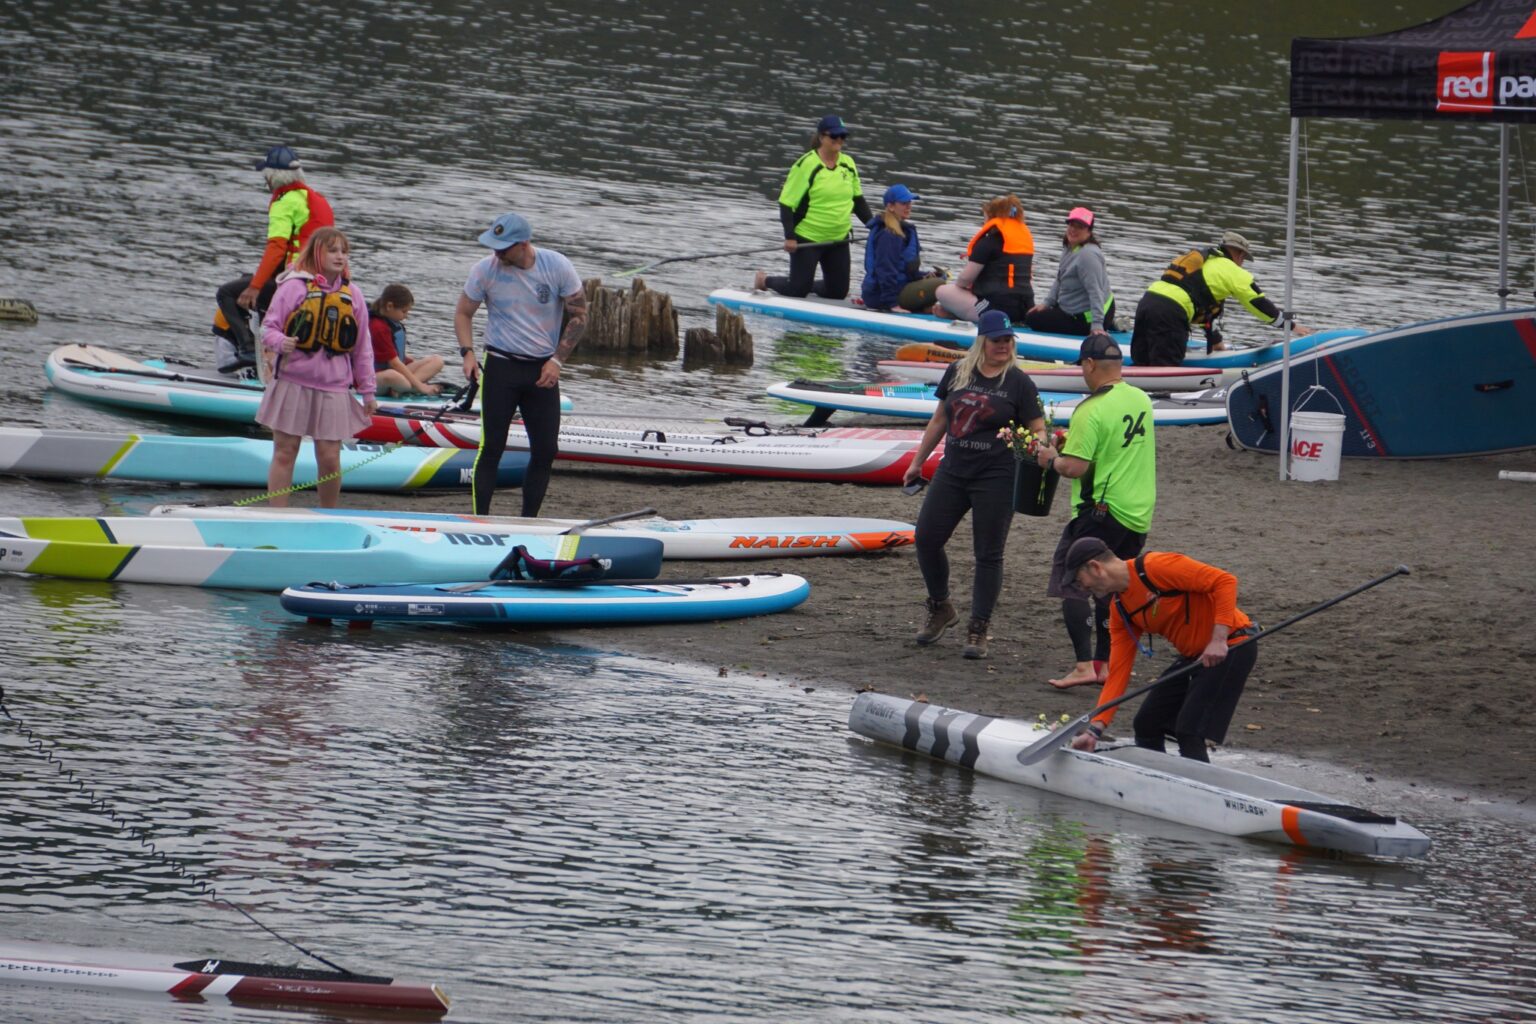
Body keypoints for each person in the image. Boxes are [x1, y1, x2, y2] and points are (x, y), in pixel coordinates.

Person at [902, 310, 1046, 659]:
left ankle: (978, 628)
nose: (1003, 346)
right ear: (982, 340)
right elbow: (940, 418)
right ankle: (940, 606)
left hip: (997, 475)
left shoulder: (1019, 383)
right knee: (926, 538)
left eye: (1008, 340)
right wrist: (918, 462)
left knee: (988, 553)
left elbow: (1038, 427)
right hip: (952, 470)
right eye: (997, 340)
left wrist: (1037, 446)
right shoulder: (957, 372)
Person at [1060, 537, 1259, 763]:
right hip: (1195, 657)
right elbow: (1118, 673)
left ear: (1095, 567)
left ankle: (1197, 792)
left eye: (1079, 579)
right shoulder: (1121, 610)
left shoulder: (1156, 567)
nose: (1083, 588)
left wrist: (1218, 638)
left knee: (1189, 730)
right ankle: (1158, 779)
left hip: (1233, 645)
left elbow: (1225, 581)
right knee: (1147, 723)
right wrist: (1095, 729)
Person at [1032, 333, 1156, 688]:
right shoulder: (1141, 398)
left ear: (1089, 364)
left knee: (1074, 581)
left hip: (1101, 511)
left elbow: (1075, 468)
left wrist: (1051, 458)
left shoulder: (1090, 408)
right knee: (1112, 587)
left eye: (1081, 367)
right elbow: (1115, 446)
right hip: (1137, 511)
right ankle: (1104, 665)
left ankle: (1084, 665)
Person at [455, 211, 586, 517]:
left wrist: (557, 360)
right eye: (494, 247)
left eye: (503, 248)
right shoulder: (485, 270)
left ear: (523, 244)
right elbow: (463, 312)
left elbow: (580, 315)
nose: (496, 253)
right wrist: (468, 353)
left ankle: (529, 521)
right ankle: (481, 519)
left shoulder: (557, 265)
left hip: (542, 368)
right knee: (492, 448)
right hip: (501, 366)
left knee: (545, 450)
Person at [256, 226, 375, 508]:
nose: (340, 256)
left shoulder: (353, 295)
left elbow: (362, 348)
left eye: (344, 251)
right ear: (317, 253)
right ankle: (277, 515)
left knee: (330, 456)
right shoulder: (293, 287)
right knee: (285, 452)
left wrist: (368, 391)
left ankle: (329, 513)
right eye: (333, 250)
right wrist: (280, 342)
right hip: (292, 384)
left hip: (333, 387)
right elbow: (267, 329)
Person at [214, 146, 335, 374]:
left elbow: (277, 248)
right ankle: (269, 351)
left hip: (298, 282)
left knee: (227, 294)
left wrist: (255, 286)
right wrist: (254, 281)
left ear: (272, 177)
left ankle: (249, 349)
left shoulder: (285, 202)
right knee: (247, 282)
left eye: (266, 177)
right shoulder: (315, 198)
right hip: (322, 281)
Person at [1130, 230, 1311, 366]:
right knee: (1166, 366)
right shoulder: (1232, 271)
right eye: (1244, 259)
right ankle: (1163, 401)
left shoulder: (1205, 261)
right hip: (1172, 310)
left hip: (1148, 301)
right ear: (1240, 255)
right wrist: (1290, 326)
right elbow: (1257, 302)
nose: (1243, 263)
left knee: (1142, 359)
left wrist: (1217, 345)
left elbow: (1206, 313)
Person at [752, 115, 874, 300]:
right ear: (822, 137)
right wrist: (790, 237)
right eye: (834, 136)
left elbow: (858, 201)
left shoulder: (848, 164)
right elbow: (786, 202)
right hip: (808, 238)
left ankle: (809, 283)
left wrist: (876, 227)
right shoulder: (806, 165)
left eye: (843, 136)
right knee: (798, 290)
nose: (839, 140)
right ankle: (764, 281)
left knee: (838, 293)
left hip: (838, 239)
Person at [934, 194, 1035, 323]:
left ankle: (956, 314)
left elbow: (965, 279)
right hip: (1025, 309)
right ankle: (955, 313)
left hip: (996, 310)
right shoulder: (1024, 243)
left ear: (991, 217)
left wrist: (963, 288)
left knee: (942, 291)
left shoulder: (988, 243)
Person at [1024, 207, 1117, 337]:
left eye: (1080, 227)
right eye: (1071, 225)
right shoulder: (1070, 247)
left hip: (1086, 319)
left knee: (1032, 319)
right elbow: (1060, 278)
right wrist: (1047, 303)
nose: (1073, 229)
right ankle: (1111, 323)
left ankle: (1107, 323)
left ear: (1089, 231)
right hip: (1074, 308)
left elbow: (1095, 291)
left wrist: (1097, 325)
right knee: (1034, 312)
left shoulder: (1087, 255)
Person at [860, 184, 942, 313]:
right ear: (891, 206)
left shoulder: (901, 230)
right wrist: (892, 304)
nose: (909, 206)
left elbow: (904, 269)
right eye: (904, 203)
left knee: (939, 279)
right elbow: (885, 270)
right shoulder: (889, 235)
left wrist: (923, 276)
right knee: (938, 285)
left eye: (909, 202)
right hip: (880, 296)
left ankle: (927, 310)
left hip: (897, 288)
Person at [368, 284, 443, 396]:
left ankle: (401, 389)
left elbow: (396, 358)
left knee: (437, 360)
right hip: (374, 379)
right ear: (389, 306)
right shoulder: (378, 327)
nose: (406, 316)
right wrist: (421, 385)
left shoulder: (390, 323)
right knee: (393, 375)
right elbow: (394, 363)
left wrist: (408, 360)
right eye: (404, 311)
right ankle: (415, 387)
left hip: (393, 372)